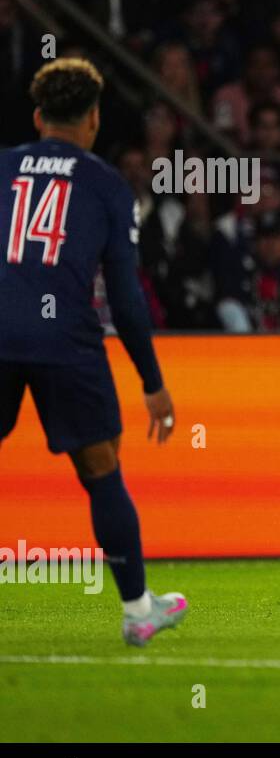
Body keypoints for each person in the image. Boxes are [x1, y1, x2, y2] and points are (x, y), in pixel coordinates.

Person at [0, 58, 186, 645]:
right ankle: (137, 612)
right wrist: (152, 381)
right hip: (67, 342)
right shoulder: (106, 185)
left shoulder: (1, 168)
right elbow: (127, 298)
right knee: (101, 471)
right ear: (94, 120)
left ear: (38, 116)